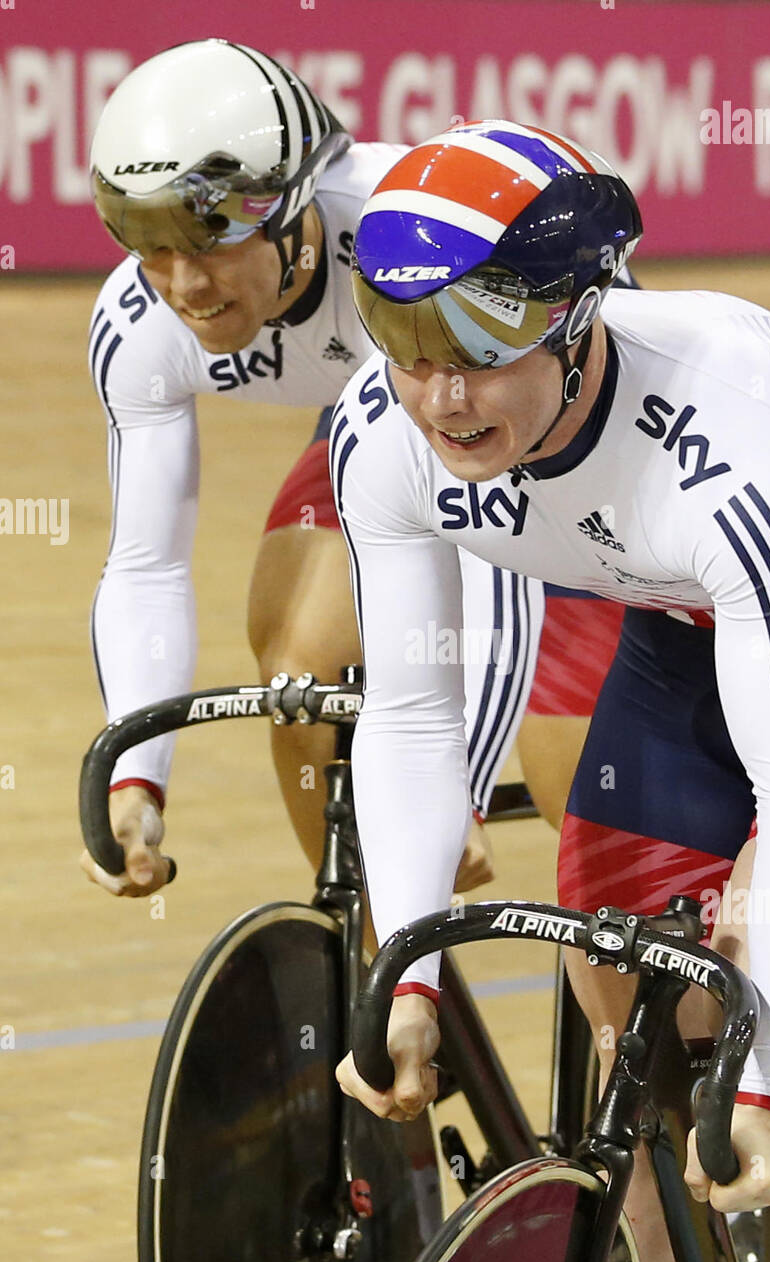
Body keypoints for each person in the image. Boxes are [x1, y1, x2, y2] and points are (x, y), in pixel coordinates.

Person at [330, 121, 770, 1262]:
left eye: (482, 345)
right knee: (634, 1068)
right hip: (685, 631)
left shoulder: (723, 432)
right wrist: (408, 978)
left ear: (578, 315)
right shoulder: (381, 433)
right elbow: (409, 714)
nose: (442, 394)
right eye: (408, 342)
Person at [79, 41, 627, 902]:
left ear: (295, 208)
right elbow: (146, 561)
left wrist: (464, 778)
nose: (183, 284)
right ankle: (393, 989)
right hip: (396, 421)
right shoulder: (137, 319)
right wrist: (134, 779)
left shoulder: (416, 254)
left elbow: (490, 542)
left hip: (559, 437)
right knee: (302, 677)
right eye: (150, 245)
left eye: (215, 238)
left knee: (581, 779)